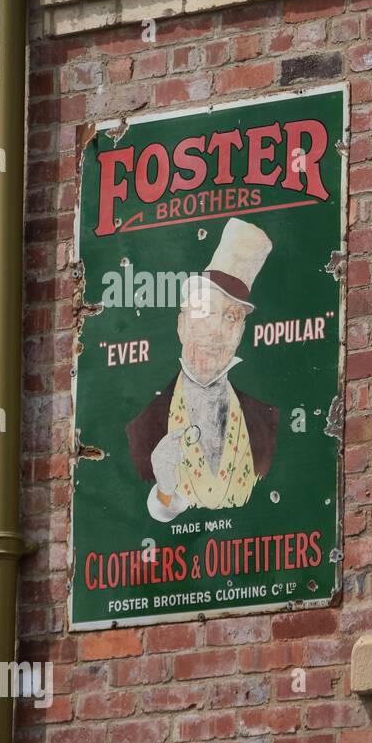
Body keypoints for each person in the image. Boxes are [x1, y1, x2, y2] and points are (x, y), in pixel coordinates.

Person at [126, 218, 279, 522]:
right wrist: (165, 491)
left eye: (231, 317)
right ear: (182, 324)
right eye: (205, 312)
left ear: (241, 332)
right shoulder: (141, 429)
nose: (216, 331)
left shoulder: (268, 423)